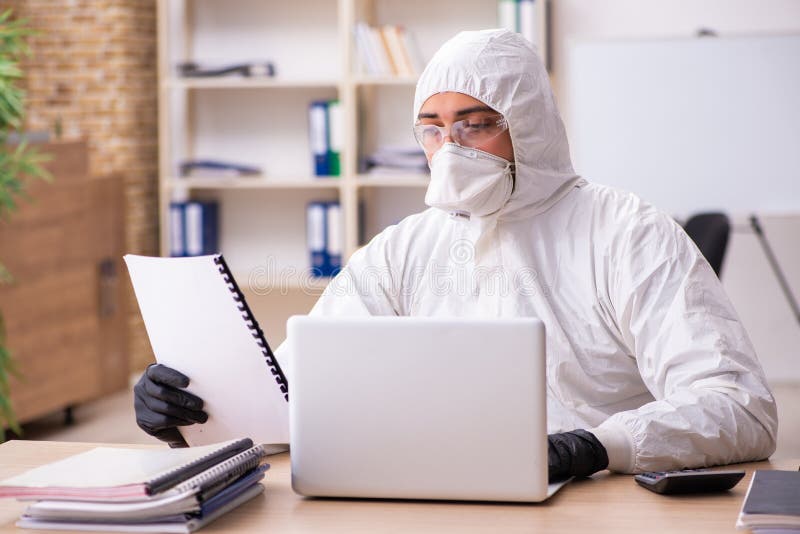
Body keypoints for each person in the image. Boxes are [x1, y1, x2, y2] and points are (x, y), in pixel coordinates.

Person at [135, 29, 778, 480]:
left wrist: (595, 447)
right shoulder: (406, 248)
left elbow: (738, 406)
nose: (452, 146)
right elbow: (301, 384)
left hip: (596, 496)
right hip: (431, 489)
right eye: (434, 128)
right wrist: (196, 407)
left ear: (528, 124)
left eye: (476, 123)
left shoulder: (628, 233)